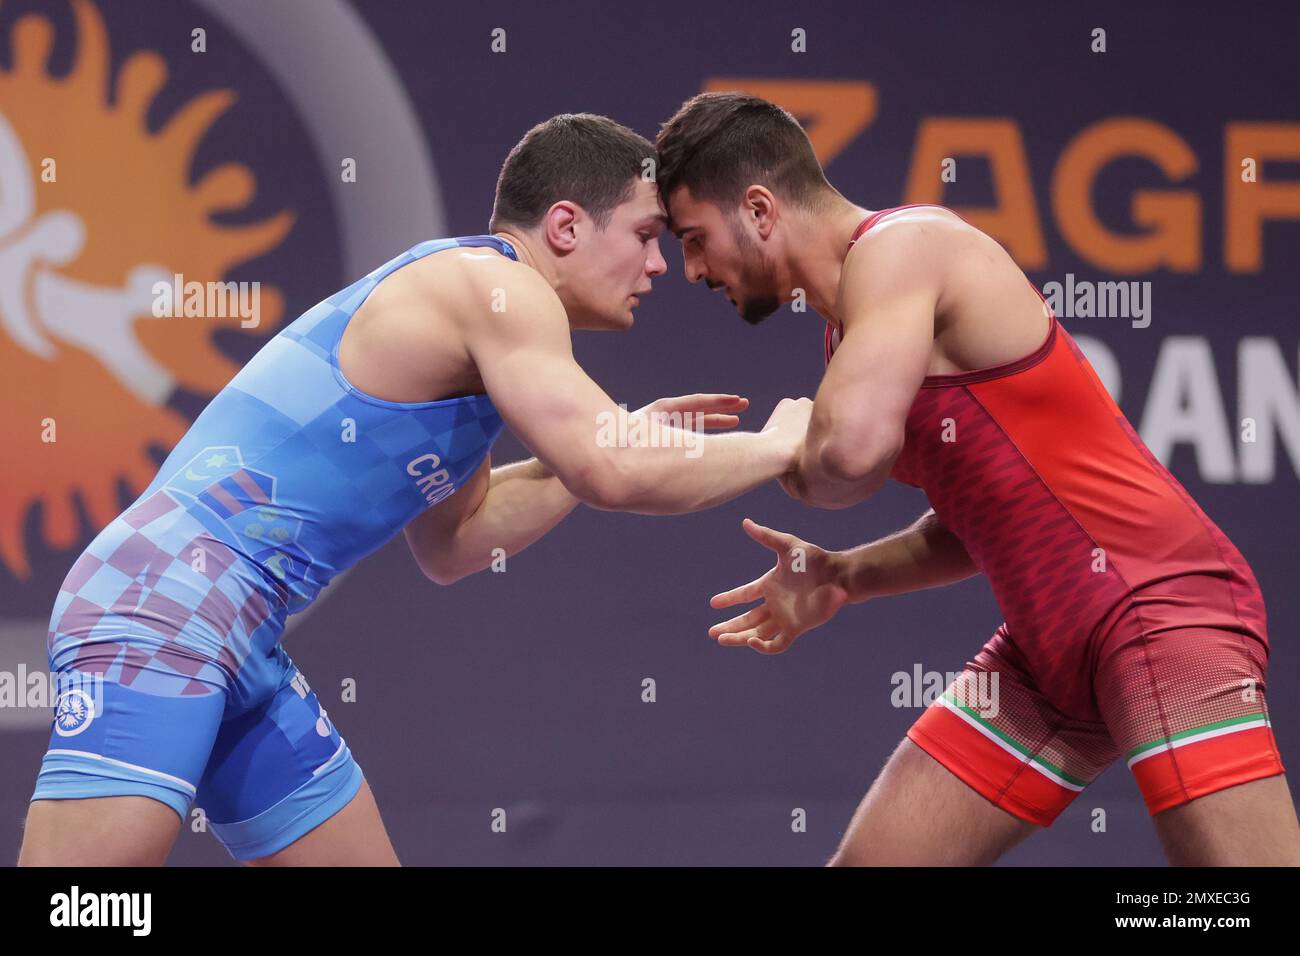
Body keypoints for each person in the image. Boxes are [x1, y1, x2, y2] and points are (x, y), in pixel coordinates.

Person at [18, 113, 811, 866]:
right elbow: (612, 469)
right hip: (162, 601)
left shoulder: (478, 346)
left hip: (239, 634)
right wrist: (776, 445)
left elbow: (457, 543)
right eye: (644, 236)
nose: (658, 267)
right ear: (566, 226)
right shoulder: (497, 290)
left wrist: (598, 453)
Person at [655, 91, 1298, 866]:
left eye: (695, 239)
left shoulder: (904, 249)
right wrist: (842, 575)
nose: (691, 269)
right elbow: (973, 517)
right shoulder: (855, 328)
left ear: (760, 209)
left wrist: (784, 441)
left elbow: (847, 457)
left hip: (1156, 606)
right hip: (1047, 650)